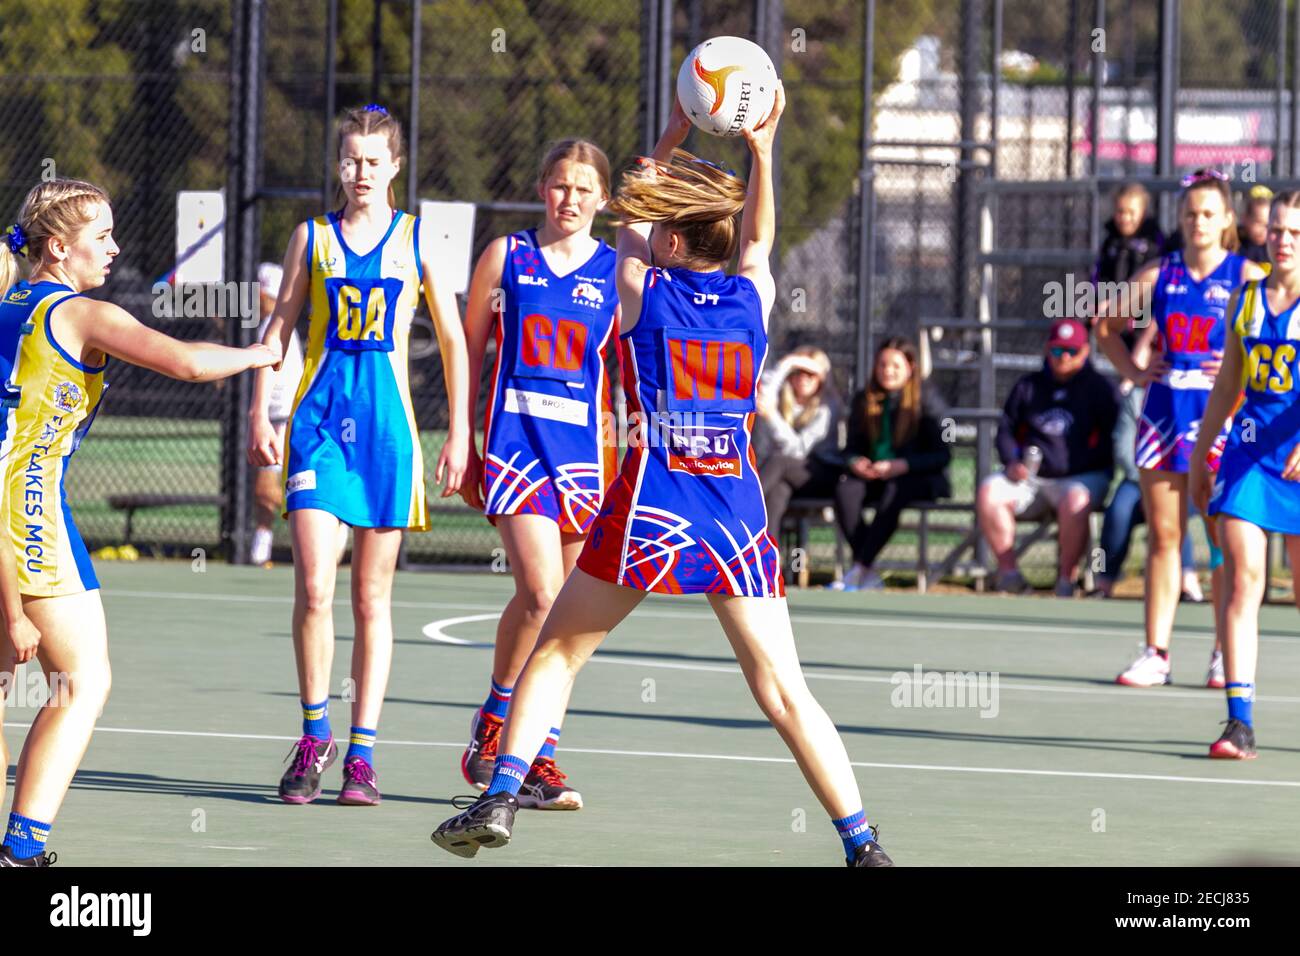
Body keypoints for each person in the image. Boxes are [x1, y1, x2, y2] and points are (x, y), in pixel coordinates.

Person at [431, 87, 895, 867]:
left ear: (673, 240)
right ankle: (865, 847)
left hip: (653, 505)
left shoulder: (643, 289)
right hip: (737, 514)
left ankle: (502, 795)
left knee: (554, 655)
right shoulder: (754, 297)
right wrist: (763, 150)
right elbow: (757, 240)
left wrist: (678, 124)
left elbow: (632, 213)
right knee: (785, 693)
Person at [0, 179, 276, 865]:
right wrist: (261, 355)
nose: (116, 248)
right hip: (29, 518)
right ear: (60, 248)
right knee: (83, 681)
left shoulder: (9, 306)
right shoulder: (81, 316)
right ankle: (22, 845)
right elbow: (184, 362)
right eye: (102, 237)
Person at [248, 104, 469, 807]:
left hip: (386, 435)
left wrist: (460, 432)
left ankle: (364, 753)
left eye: (375, 161)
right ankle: (315, 735)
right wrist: (260, 406)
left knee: (372, 598)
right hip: (317, 425)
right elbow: (278, 325)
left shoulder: (417, 241)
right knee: (315, 585)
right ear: (337, 164)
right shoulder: (310, 238)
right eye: (351, 160)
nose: (362, 172)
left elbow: (457, 341)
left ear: (396, 166)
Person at [457, 139, 620, 810]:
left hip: (583, 457)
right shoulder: (507, 256)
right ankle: (497, 717)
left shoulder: (617, 271)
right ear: (540, 188)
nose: (571, 198)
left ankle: (540, 757)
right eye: (559, 185)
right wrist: (461, 439)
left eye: (584, 189)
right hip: (515, 444)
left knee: (571, 618)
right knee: (542, 594)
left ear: (603, 200)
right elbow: (466, 347)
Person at [1098, 168, 1267, 687]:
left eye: (1209, 214)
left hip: (1220, 420)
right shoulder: (1159, 274)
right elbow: (1104, 325)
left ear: (1227, 221)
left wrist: (1241, 371)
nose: (1198, 222)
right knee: (1165, 536)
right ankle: (1157, 651)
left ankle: (1222, 652)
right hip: (1166, 414)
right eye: (1191, 213)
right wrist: (1132, 371)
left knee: (1220, 539)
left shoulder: (1247, 277)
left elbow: (1277, 340)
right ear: (1180, 218)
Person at [1191, 189, 1300, 759]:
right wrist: (1200, 454)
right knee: (1244, 576)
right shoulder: (1248, 300)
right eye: (1278, 229)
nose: (1283, 240)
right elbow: (1227, 387)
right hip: (1251, 456)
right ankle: (1239, 722)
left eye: (1295, 233)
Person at [977, 319, 1118, 596]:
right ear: (1046, 350)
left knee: (1076, 500)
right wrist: (1012, 461)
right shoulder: (1028, 386)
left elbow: (1112, 439)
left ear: (1085, 352)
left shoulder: (1100, 388)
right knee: (989, 492)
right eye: (1056, 351)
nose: (1063, 357)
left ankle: (1066, 581)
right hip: (1030, 479)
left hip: (1081, 478)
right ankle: (1010, 575)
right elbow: (1005, 430)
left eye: (1071, 351)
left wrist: (1073, 464)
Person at [1093, 322, 1205, 607]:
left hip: (1188, 480)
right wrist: (1148, 478)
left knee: (1172, 514)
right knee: (1118, 511)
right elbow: (1123, 446)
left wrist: (1176, 477)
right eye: (1160, 350)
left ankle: (1188, 583)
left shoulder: (1201, 393)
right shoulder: (1138, 396)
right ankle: (1102, 581)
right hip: (1138, 480)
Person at [831, 338, 950, 591]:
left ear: (911, 367)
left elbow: (942, 455)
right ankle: (868, 572)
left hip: (916, 477)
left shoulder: (926, 399)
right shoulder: (864, 399)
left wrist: (903, 465)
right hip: (874, 475)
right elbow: (851, 447)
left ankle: (860, 568)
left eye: (895, 365)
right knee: (845, 490)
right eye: (882, 364)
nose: (887, 370)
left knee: (895, 491)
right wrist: (855, 462)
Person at [246, 262, 314, 567]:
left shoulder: (272, 327)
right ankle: (264, 544)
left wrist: (258, 415)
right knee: (276, 486)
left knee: (270, 487)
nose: (256, 296)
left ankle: (307, 538)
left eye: (260, 290)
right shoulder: (272, 325)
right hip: (281, 418)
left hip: (284, 419)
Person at [756, 345, 843, 548]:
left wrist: (772, 418)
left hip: (820, 475)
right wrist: (787, 363)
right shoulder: (786, 401)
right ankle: (767, 562)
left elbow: (800, 450)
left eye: (810, 374)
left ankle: (742, 507)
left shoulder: (827, 406)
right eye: (797, 373)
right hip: (789, 477)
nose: (803, 379)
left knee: (779, 462)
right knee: (777, 492)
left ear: (821, 378)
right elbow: (764, 392)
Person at [1092, 182, 1165, 295]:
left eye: (1131, 212)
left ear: (1143, 213)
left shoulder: (1154, 242)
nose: (1125, 218)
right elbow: (1097, 278)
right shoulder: (1110, 242)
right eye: (1120, 212)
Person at [1236, 185, 1273, 264]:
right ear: (1245, 218)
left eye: (1267, 225)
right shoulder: (1235, 245)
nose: (1263, 230)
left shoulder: (1273, 249)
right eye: (1258, 222)